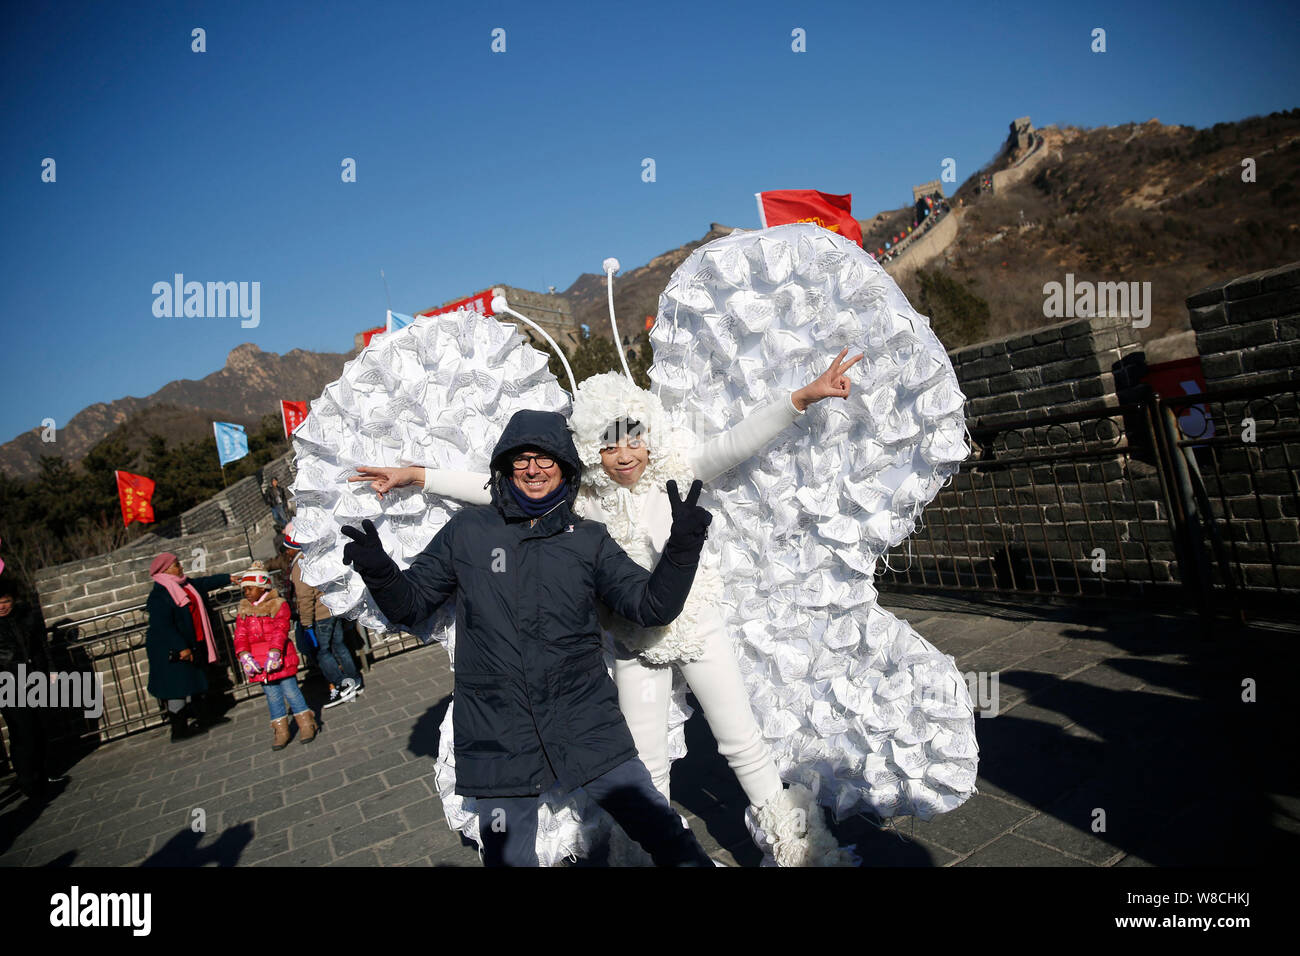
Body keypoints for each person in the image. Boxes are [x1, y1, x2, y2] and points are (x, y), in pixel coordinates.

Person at [351, 348, 863, 866]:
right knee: (644, 764)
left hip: (696, 623)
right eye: (609, 444)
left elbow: (735, 443)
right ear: (591, 452)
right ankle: (648, 857)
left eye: (633, 437)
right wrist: (418, 475)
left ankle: (799, 849)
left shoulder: (679, 471)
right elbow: (493, 488)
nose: (624, 455)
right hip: (633, 639)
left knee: (740, 740)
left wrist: (800, 398)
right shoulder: (579, 502)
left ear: (649, 435)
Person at [340, 408, 716, 867]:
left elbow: (651, 607)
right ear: (504, 467)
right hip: (496, 731)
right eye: (521, 460)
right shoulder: (469, 531)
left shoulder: (589, 540)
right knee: (508, 858)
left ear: (564, 466)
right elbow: (411, 605)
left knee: (662, 830)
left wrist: (681, 550)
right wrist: (380, 571)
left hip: (586, 721)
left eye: (545, 458)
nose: (533, 469)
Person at [144, 553, 233, 742]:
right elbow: (163, 626)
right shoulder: (160, 595)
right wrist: (181, 647)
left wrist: (228, 578)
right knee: (178, 687)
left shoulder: (185, 584)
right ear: (165, 570)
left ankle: (204, 717)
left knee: (196, 681)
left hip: (193, 642)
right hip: (173, 649)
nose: (180, 567)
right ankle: (179, 729)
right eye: (176, 565)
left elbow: (204, 583)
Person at [232, 561, 318, 750]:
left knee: (291, 691)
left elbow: (281, 629)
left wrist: (275, 651)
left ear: (262, 588)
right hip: (259, 660)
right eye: (245, 590)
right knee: (272, 695)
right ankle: (281, 730)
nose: (247, 593)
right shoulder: (244, 611)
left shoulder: (278, 605)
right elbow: (240, 634)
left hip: (279, 656)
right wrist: (244, 654)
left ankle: (306, 723)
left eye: (250, 589)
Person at [0, 577, 66, 801]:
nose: (2, 606)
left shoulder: (25, 614)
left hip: (35, 676)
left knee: (42, 726)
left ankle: (46, 772)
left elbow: (41, 645)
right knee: (22, 732)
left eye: (6, 601)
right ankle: (28, 780)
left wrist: (51, 670)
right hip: (7, 683)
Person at [286, 526, 362, 708]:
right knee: (339, 645)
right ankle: (355, 680)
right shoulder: (315, 556)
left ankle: (342, 685)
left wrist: (306, 624)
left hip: (319, 616)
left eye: (286, 548)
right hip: (331, 608)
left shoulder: (299, 566)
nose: (286, 552)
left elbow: (305, 597)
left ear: (293, 548)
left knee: (322, 652)